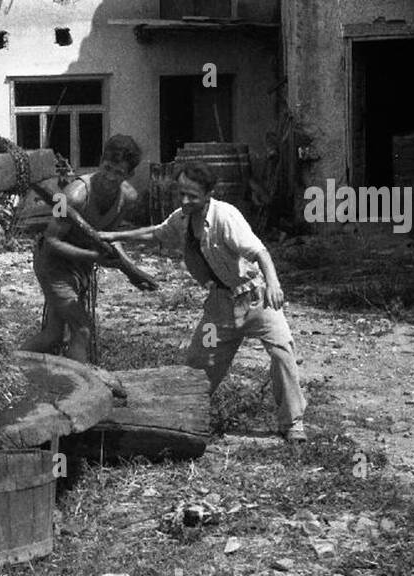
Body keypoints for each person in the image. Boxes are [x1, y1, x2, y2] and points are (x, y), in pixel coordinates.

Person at [105, 160, 307, 441]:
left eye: (192, 196)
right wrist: (112, 236)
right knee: (201, 363)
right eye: (181, 194)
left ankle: (292, 423)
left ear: (209, 193)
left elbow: (260, 253)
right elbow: (156, 233)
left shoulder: (226, 217)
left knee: (282, 352)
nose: (185, 200)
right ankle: (185, 417)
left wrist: (274, 284)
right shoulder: (182, 218)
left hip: (256, 301)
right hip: (220, 309)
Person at [22, 134, 143, 363]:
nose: (109, 177)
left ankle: (8, 367)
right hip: (52, 265)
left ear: (129, 175)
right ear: (100, 162)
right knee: (82, 328)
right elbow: (51, 240)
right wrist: (94, 257)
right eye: (107, 168)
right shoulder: (72, 195)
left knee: (52, 336)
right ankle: (84, 388)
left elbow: (108, 237)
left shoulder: (128, 197)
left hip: (80, 267)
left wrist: (130, 269)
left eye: (118, 173)